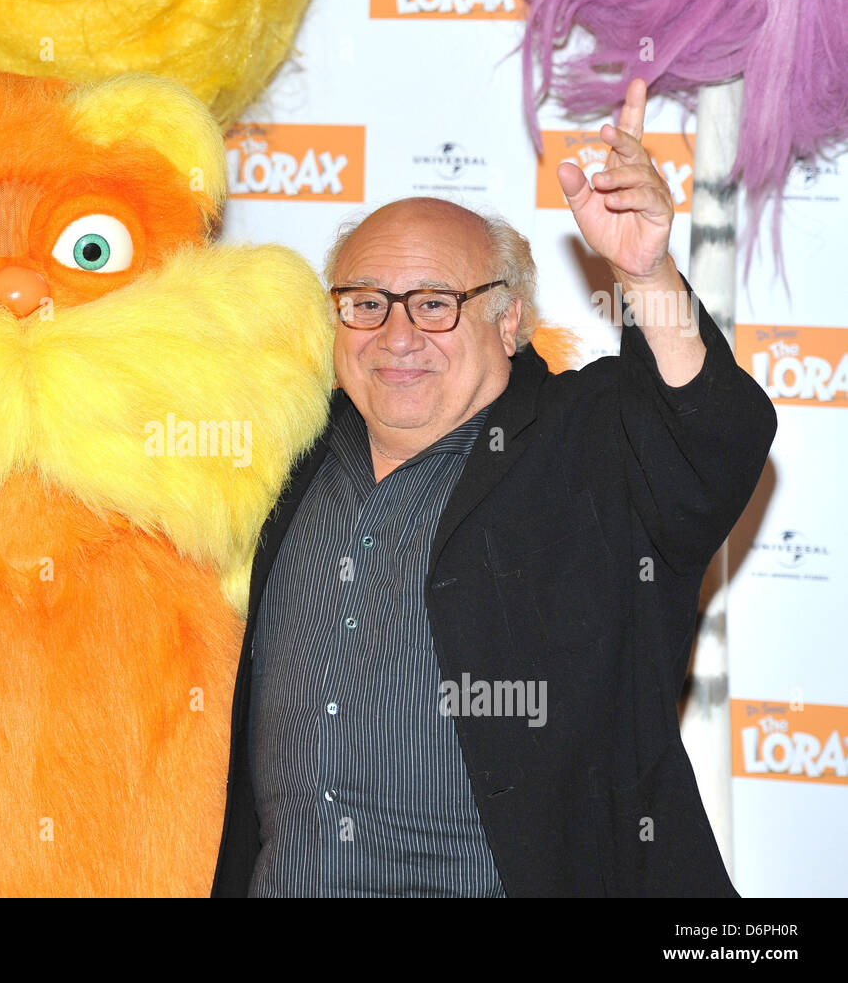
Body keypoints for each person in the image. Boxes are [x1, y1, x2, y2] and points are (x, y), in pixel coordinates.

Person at [210, 79, 777, 897]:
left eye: (436, 304)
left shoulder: (591, 446)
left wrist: (647, 274)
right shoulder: (293, 454)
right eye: (366, 304)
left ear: (509, 322)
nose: (397, 336)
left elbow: (715, 439)